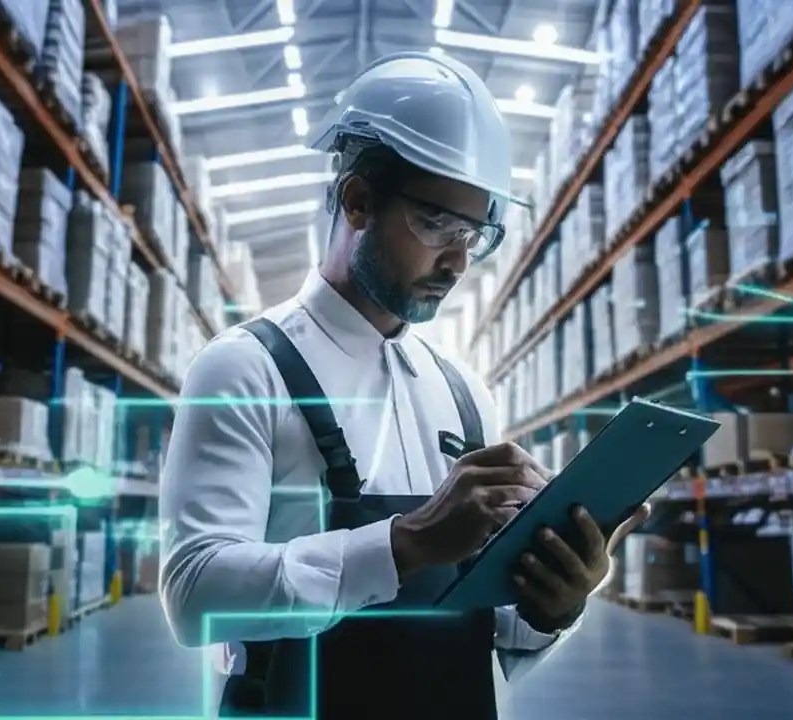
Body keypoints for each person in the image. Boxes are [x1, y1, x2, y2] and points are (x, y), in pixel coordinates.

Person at [159, 52, 648, 719]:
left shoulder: (462, 393)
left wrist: (552, 604)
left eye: (476, 234)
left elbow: (489, 633)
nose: (457, 260)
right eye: (437, 224)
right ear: (357, 201)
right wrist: (406, 541)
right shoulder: (245, 369)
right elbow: (196, 599)